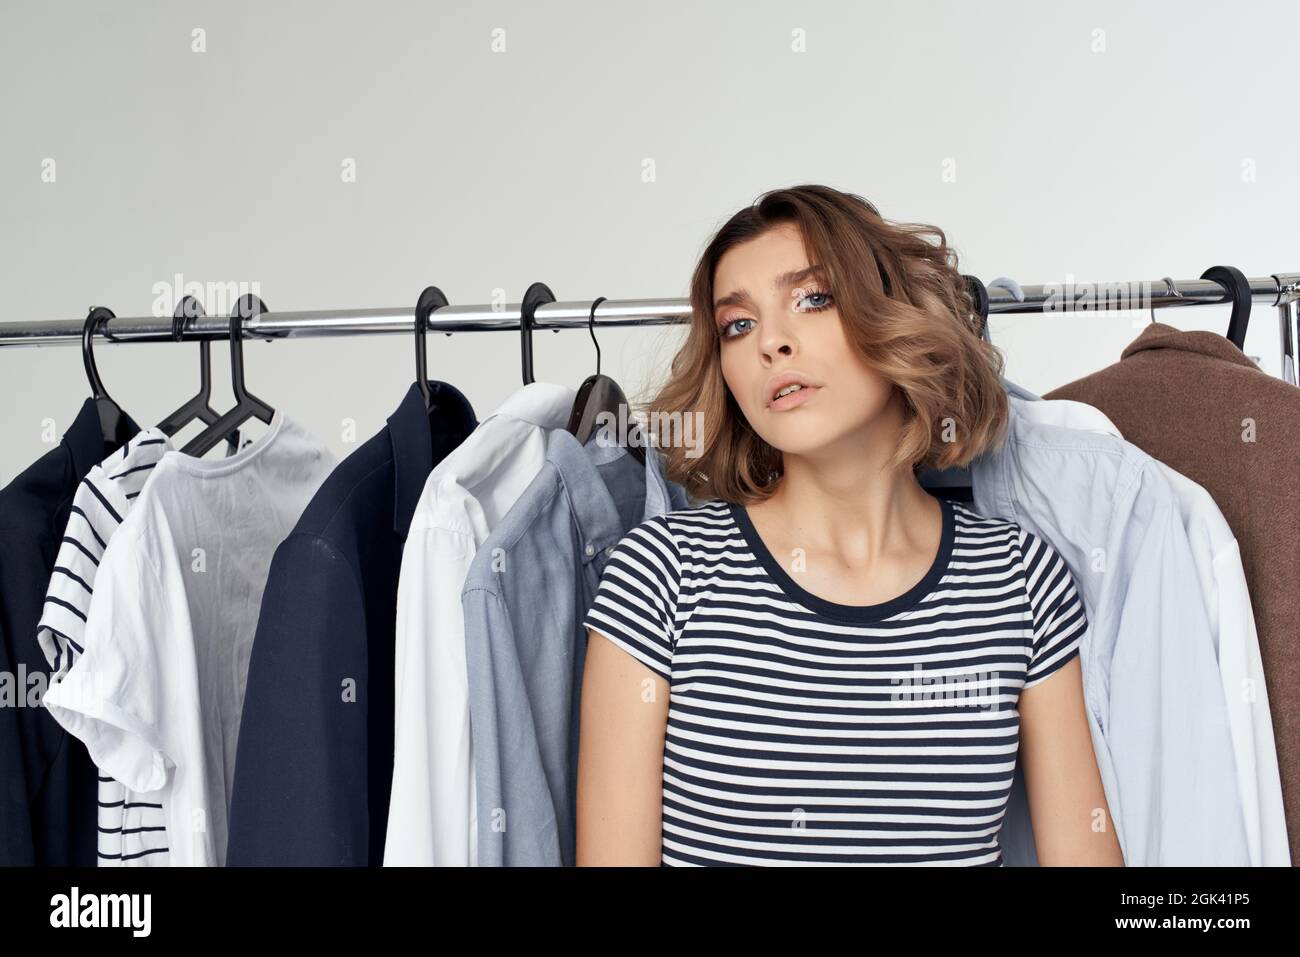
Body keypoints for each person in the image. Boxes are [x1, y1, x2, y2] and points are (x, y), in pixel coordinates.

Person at [575, 184, 1123, 867]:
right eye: (737, 325)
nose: (771, 341)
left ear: (892, 314)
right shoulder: (661, 575)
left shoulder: (1020, 579)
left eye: (812, 297)